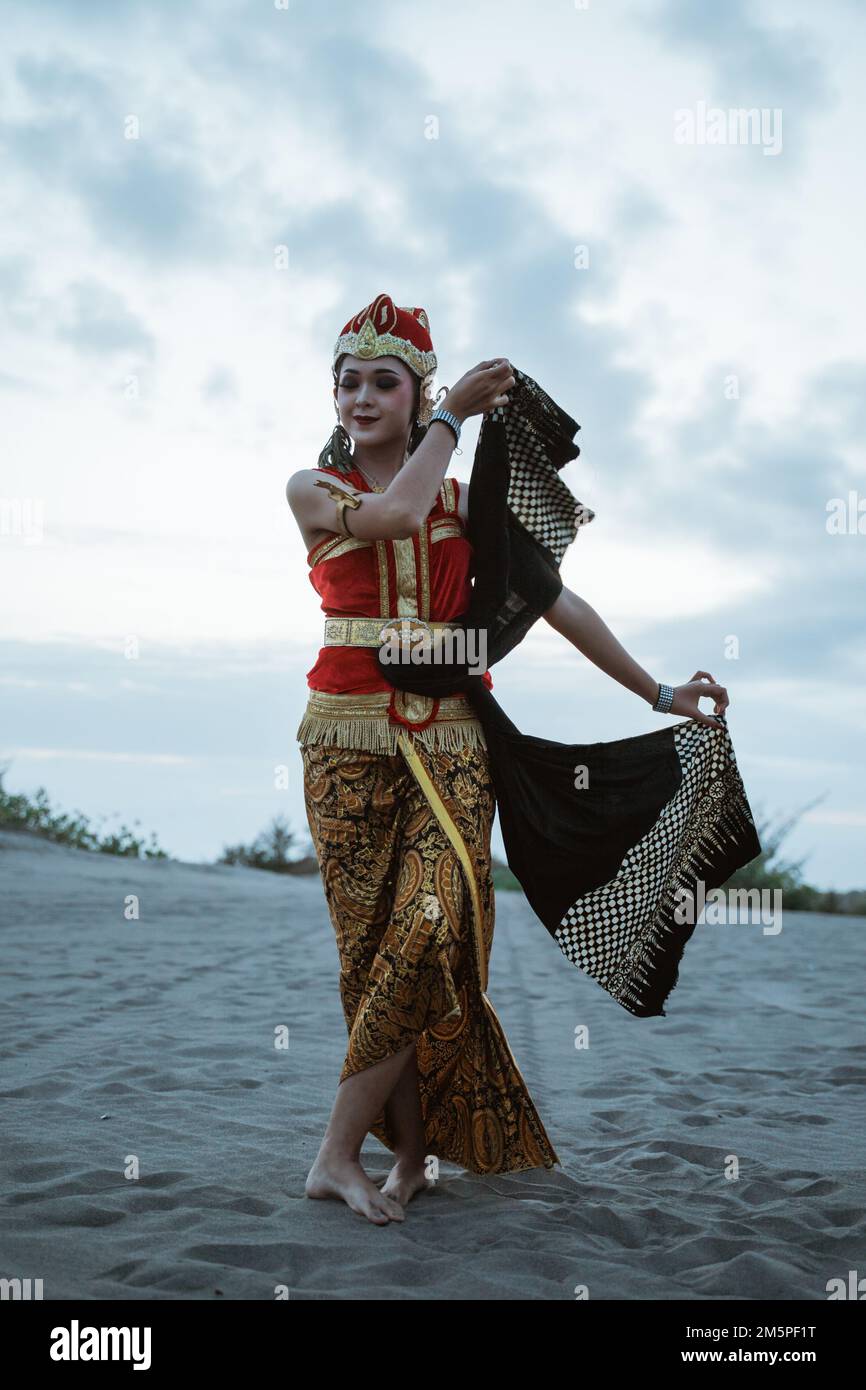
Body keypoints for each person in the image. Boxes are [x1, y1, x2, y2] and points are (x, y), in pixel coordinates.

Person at [286, 294, 734, 1225]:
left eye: (385, 382)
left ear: (413, 394)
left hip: (454, 738)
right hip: (345, 742)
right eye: (349, 382)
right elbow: (394, 511)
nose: (362, 398)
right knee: (374, 957)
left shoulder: (466, 504)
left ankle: (333, 1155)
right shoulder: (314, 490)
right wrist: (455, 416)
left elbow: (556, 605)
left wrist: (657, 693)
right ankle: (408, 1157)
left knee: (429, 926)